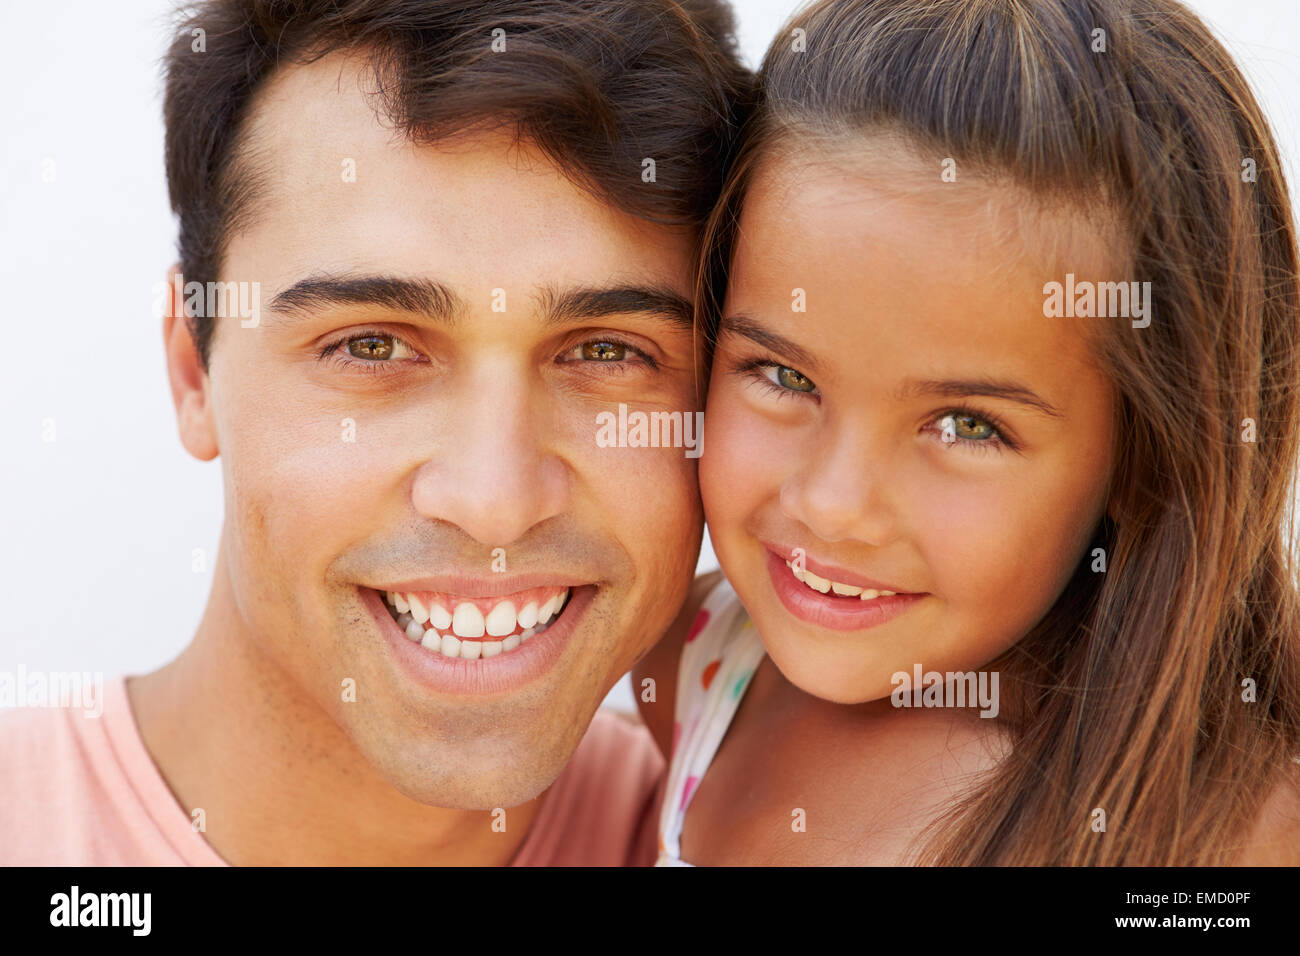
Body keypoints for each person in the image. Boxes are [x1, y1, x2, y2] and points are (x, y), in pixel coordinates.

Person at [0, 0, 750, 866]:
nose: (494, 504)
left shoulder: (756, 841)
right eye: (372, 345)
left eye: (607, 350)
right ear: (192, 371)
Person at [637, 0, 1300, 865]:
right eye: (784, 376)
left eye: (965, 426)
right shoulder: (698, 661)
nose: (835, 507)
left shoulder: (1216, 839)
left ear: (1145, 463)